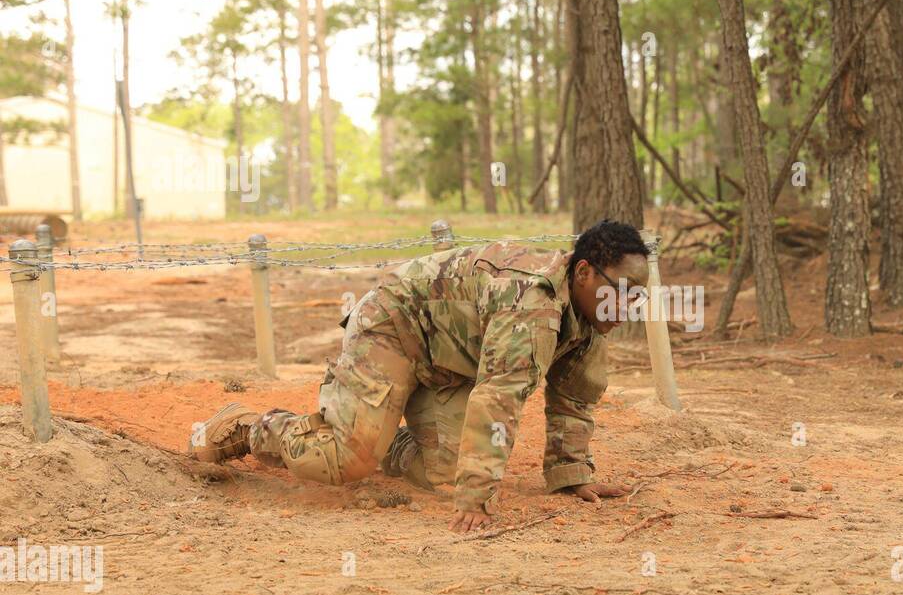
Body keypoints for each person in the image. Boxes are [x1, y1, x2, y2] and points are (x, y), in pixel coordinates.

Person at [187, 220, 650, 532]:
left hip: (450, 363)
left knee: (443, 471)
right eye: (623, 291)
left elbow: (574, 397)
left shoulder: (589, 316)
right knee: (344, 462)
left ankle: (383, 433)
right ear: (584, 272)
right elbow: (498, 398)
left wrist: (570, 473)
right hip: (395, 329)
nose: (628, 307)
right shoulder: (533, 302)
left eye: (639, 296)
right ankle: (251, 427)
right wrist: (477, 498)